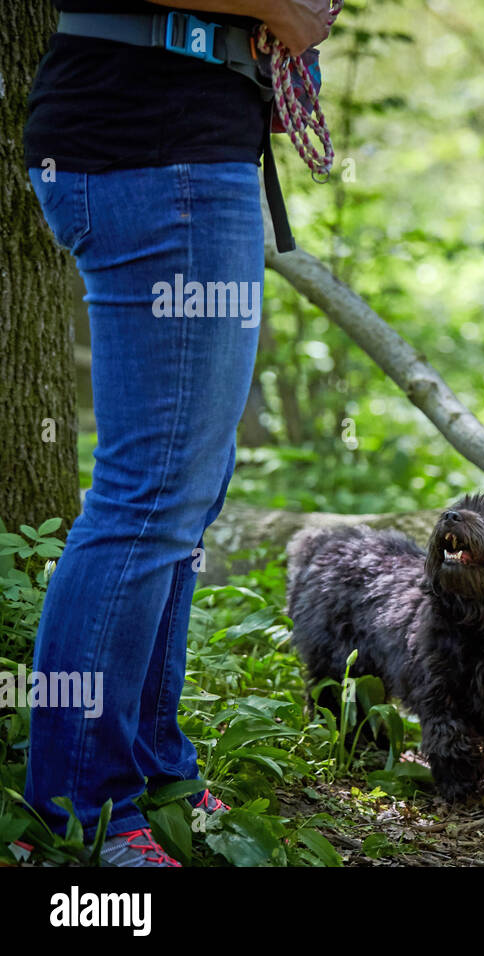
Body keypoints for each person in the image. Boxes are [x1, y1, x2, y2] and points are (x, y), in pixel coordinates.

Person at [23, 0, 331, 866]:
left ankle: (151, 765)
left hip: (175, 145)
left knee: (182, 492)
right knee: (151, 496)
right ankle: (83, 805)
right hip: (157, 149)